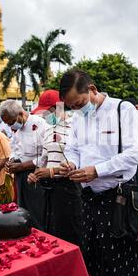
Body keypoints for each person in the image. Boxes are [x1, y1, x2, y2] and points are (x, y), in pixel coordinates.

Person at [58, 70, 138, 276]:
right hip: (89, 199)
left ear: (92, 89)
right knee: (93, 258)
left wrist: (97, 170)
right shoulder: (78, 118)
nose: (77, 109)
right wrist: (71, 163)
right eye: (72, 107)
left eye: (79, 103)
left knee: (121, 263)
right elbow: (73, 148)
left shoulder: (122, 109)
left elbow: (134, 153)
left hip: (118, 198)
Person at [26, 89, 83, 245]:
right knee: (53, 233)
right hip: (50, 191)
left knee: (71, 235)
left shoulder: (75, 126)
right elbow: (43, 161)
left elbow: (82, 162)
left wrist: (51, 172)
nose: (43, 116)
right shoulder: (48, 129)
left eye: (46, 112)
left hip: (70, 188)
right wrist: (35, 175)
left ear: (58, 107)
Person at [1, 100, 49, 229]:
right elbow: (14, 148)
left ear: (21, 114)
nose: (10, 126)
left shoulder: (39, 124)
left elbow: (45, 156)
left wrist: (23, 166)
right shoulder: (16, 128)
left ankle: (40, 238)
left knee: (36, 212)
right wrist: (10, 161)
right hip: (19, 174)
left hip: (35, 174)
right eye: (7, 124)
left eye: (11, 122)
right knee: (22, 210)